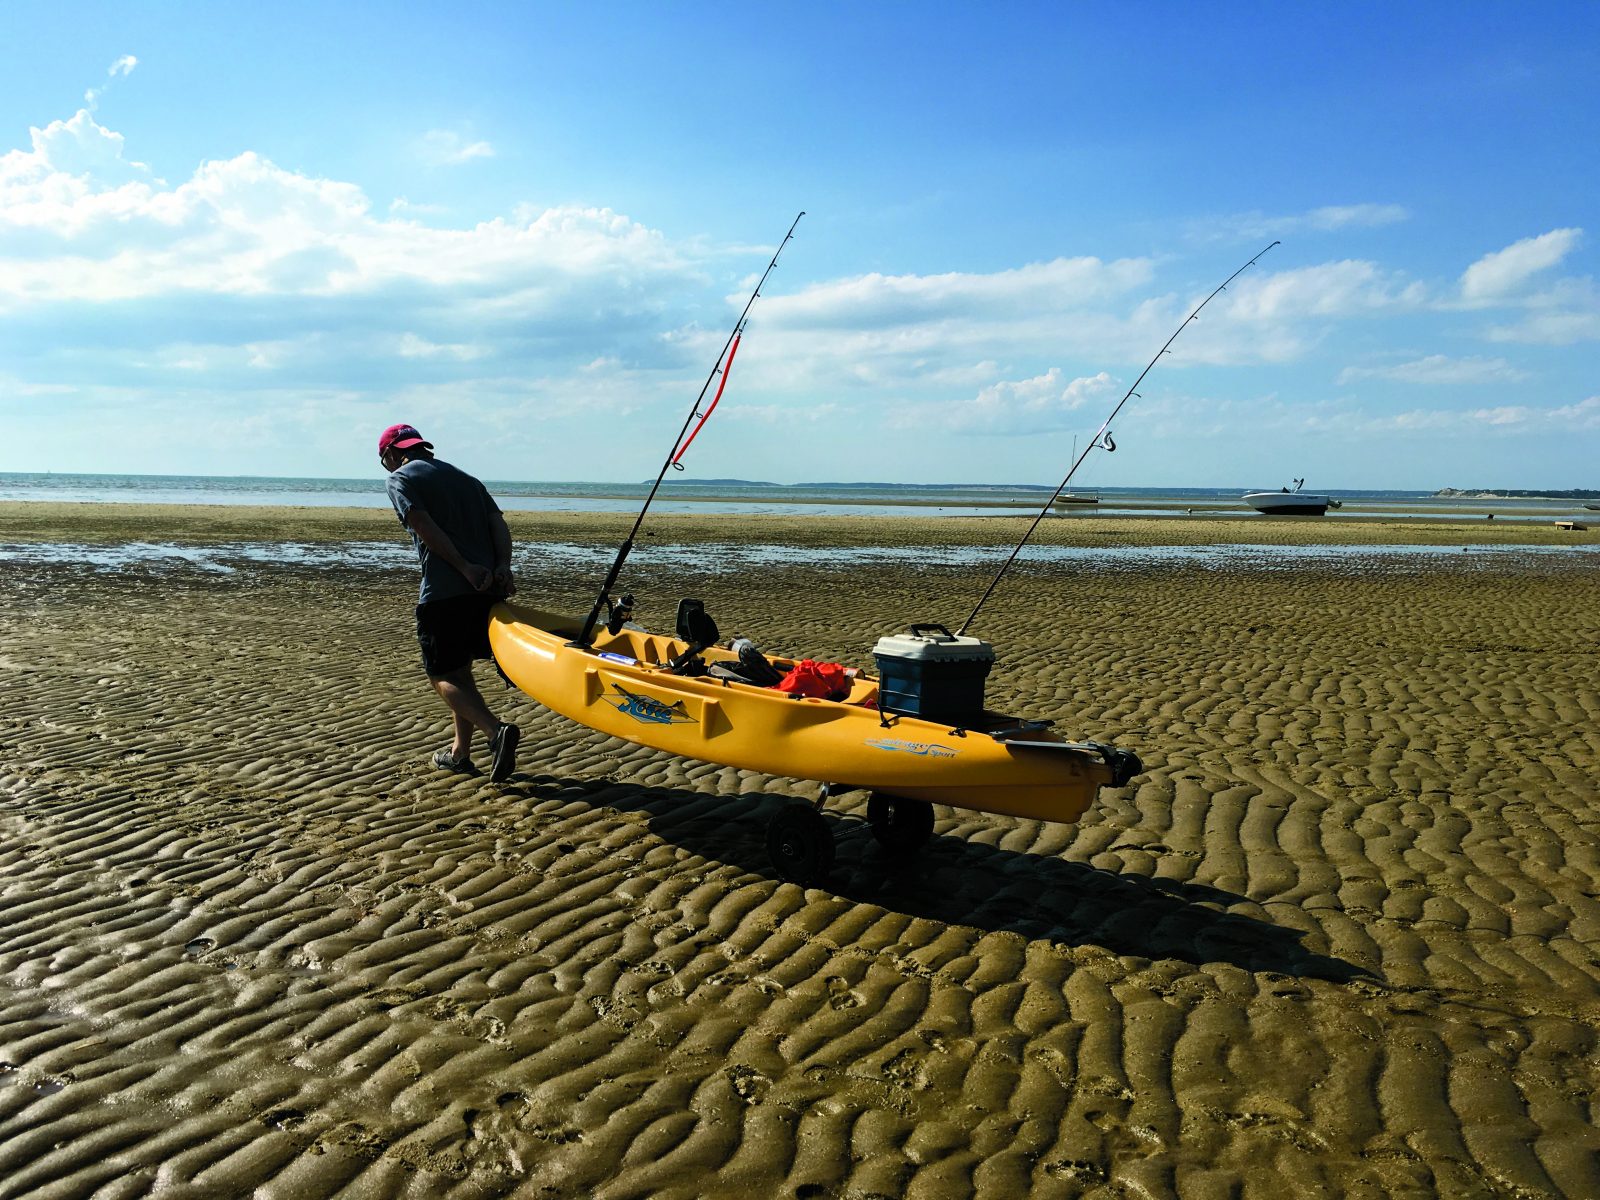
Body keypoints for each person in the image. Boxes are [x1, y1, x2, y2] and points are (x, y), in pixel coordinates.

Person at [378, 423, 521, 781]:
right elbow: (498, 525)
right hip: (487, 591)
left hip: (446, 591)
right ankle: (459, 753)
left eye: (385, 461)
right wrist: (502, 567)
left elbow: (424, 526)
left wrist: (463, 566)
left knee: (441, 673)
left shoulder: (400, 479)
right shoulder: (467, 479)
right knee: (461, 670)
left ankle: (495, 731)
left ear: (392, 454)